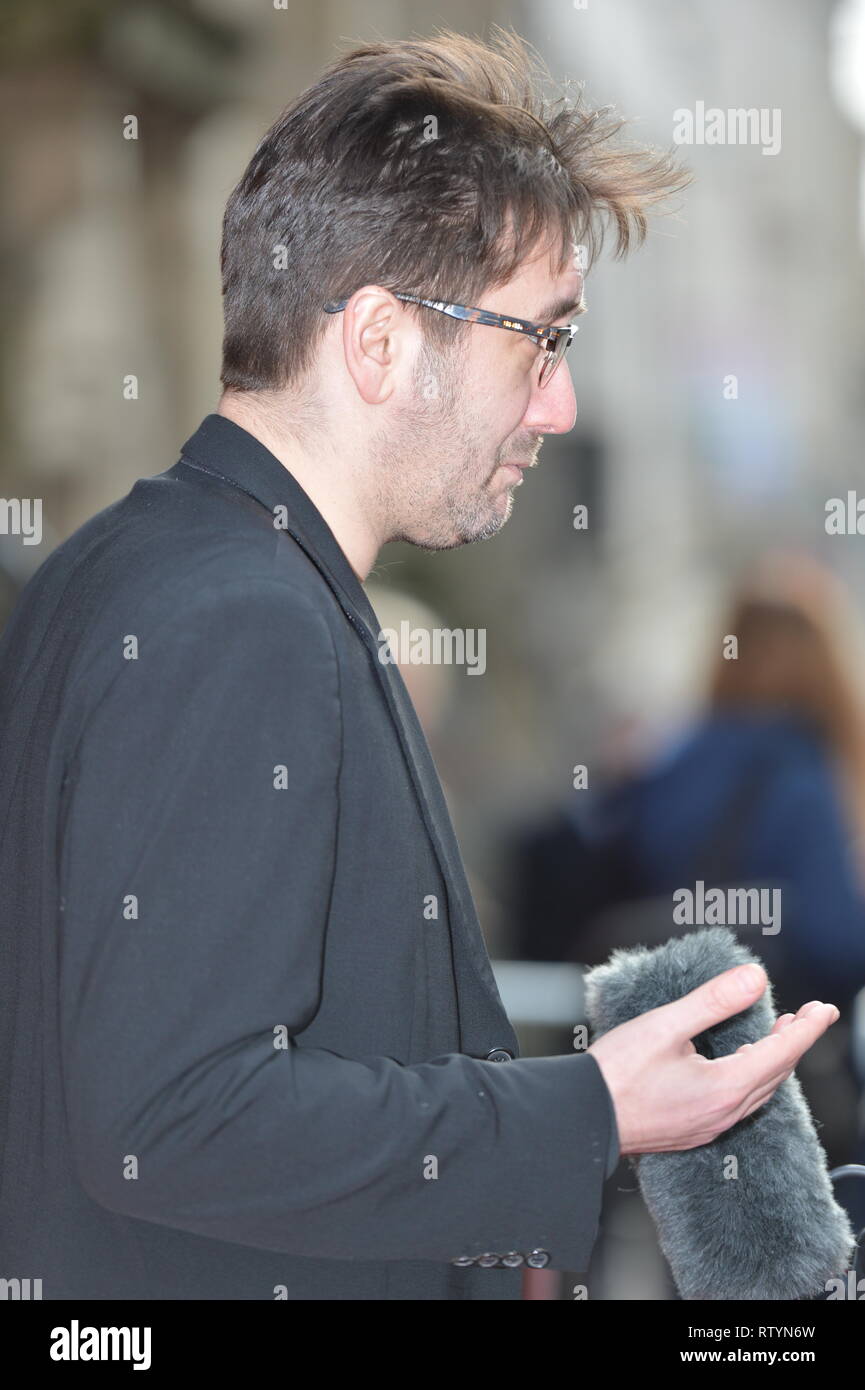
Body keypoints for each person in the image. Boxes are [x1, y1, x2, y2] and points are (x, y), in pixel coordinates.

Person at [0, 30, 840, 1302]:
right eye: (540, 341)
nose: (557, 409)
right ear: (383, 342)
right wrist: (590, 1113)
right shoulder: (245, 619)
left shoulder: (126, 573)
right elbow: (166, 1114)